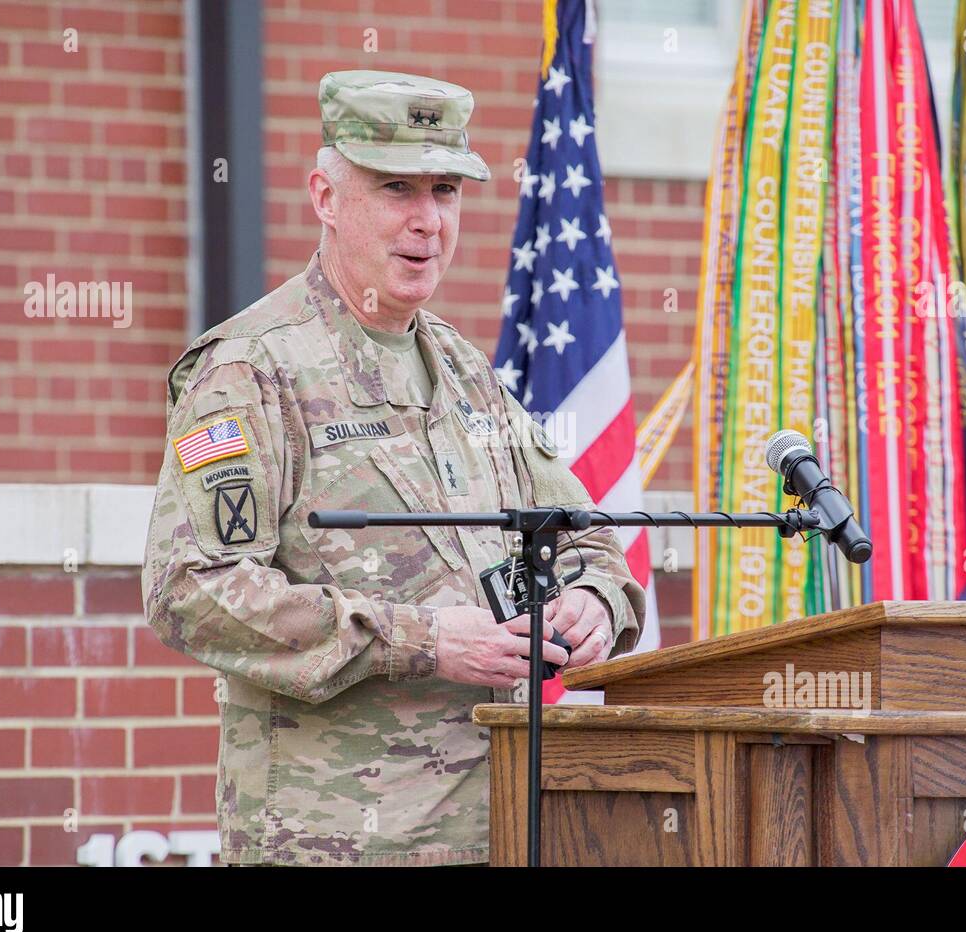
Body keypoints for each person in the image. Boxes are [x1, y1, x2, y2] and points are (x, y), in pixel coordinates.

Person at [142, 70, 646, 866]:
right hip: (331, 843)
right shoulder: (249, 370)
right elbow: (191, 591)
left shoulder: (464, 369)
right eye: (396, 188)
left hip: (498, 830)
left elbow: (584, 538)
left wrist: (593, 601)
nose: (427, 222)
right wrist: (422, 640)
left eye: (445, 190)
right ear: (326, 196)